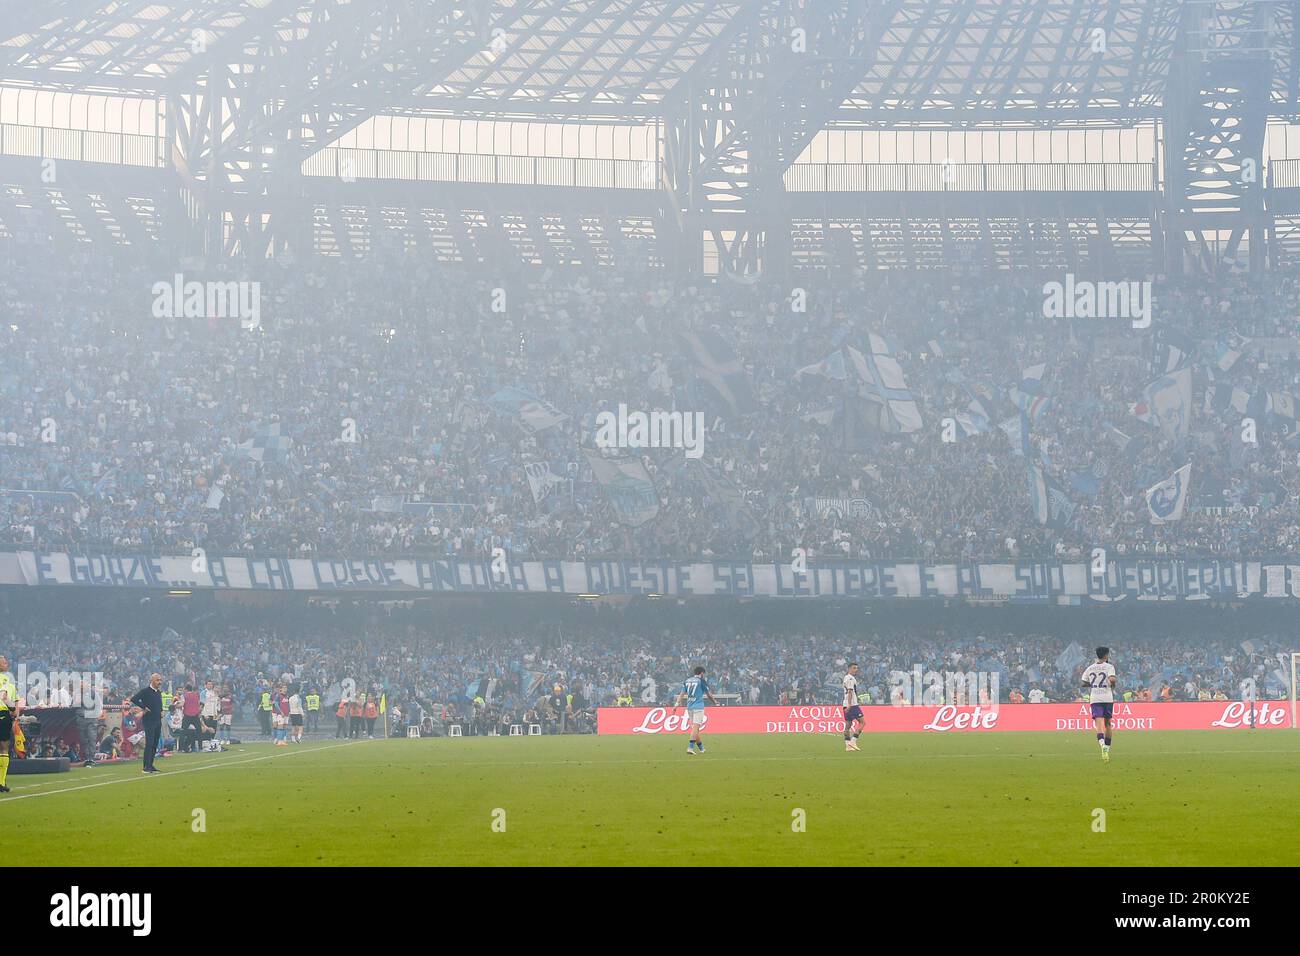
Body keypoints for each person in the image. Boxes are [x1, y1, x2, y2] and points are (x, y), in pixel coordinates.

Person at [1081, 647, 1118, 763]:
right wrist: (1112, 685)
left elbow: (1084, 682)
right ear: (1106, 655)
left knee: (1098, 723)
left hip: (1095, 698)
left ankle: (1102, 745)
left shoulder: (1090, 668)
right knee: (1108, 724)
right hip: (1107, 698)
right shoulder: (1109, 667)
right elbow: (1112, 679)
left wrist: (1093, 684)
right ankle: (1106, 748)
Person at [672, 666, 719, 755]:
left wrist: (676, 705)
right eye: (703, 674)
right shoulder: (701, 681)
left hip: (689, 707)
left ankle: (702, 748)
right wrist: (715, 702)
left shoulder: (687, 681)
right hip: (698, 707)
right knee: (695, 728)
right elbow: (708, 694)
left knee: (695, 729)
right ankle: (690, 748)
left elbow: (681, 694)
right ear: (701, 673)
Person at [130, 674, 164, 774]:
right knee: (149, 743)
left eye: (160, 680)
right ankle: (145, 766)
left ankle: (150, 764)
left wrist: (161, 711)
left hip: (158, 720)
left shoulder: (158, 692)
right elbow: (134, 699)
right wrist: (144, 707)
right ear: (152, 680)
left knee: (154, 743)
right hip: (149, 720)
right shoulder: (145, 691)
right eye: (158, 680)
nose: (160, 682)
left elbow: (159, 704)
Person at [0, 655, 21, 793]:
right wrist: (14, 712)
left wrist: (15, 713)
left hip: (4, 715)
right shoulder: (8, 682)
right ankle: (1, 782)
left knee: (4, 748)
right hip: (3, 714)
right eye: (3, 661)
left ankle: (1, 781)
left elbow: (15, 702)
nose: (6, 663)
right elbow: (13, 703)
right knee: (3, 748)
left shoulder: (10, 684)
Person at [842, 662, 865, 752]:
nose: (856, 670)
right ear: (849, 669)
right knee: (863, 723)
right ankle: (853, 741)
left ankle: (847, 746)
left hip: (845, 704)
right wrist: (849, 705)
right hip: (852, 705)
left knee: (848, 725)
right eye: (854, 668)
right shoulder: (851, 678)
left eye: (857, 668)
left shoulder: (845, 677)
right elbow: (850, 692)